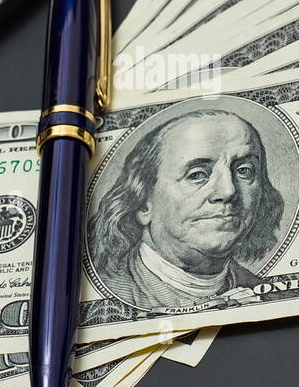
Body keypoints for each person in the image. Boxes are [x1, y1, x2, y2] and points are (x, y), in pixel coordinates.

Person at [90, 109, 284, 311]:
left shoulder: (274, 298)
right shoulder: (111, 294)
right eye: (197, 174)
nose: (228, 191)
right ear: (144, 202)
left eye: (244, 171)